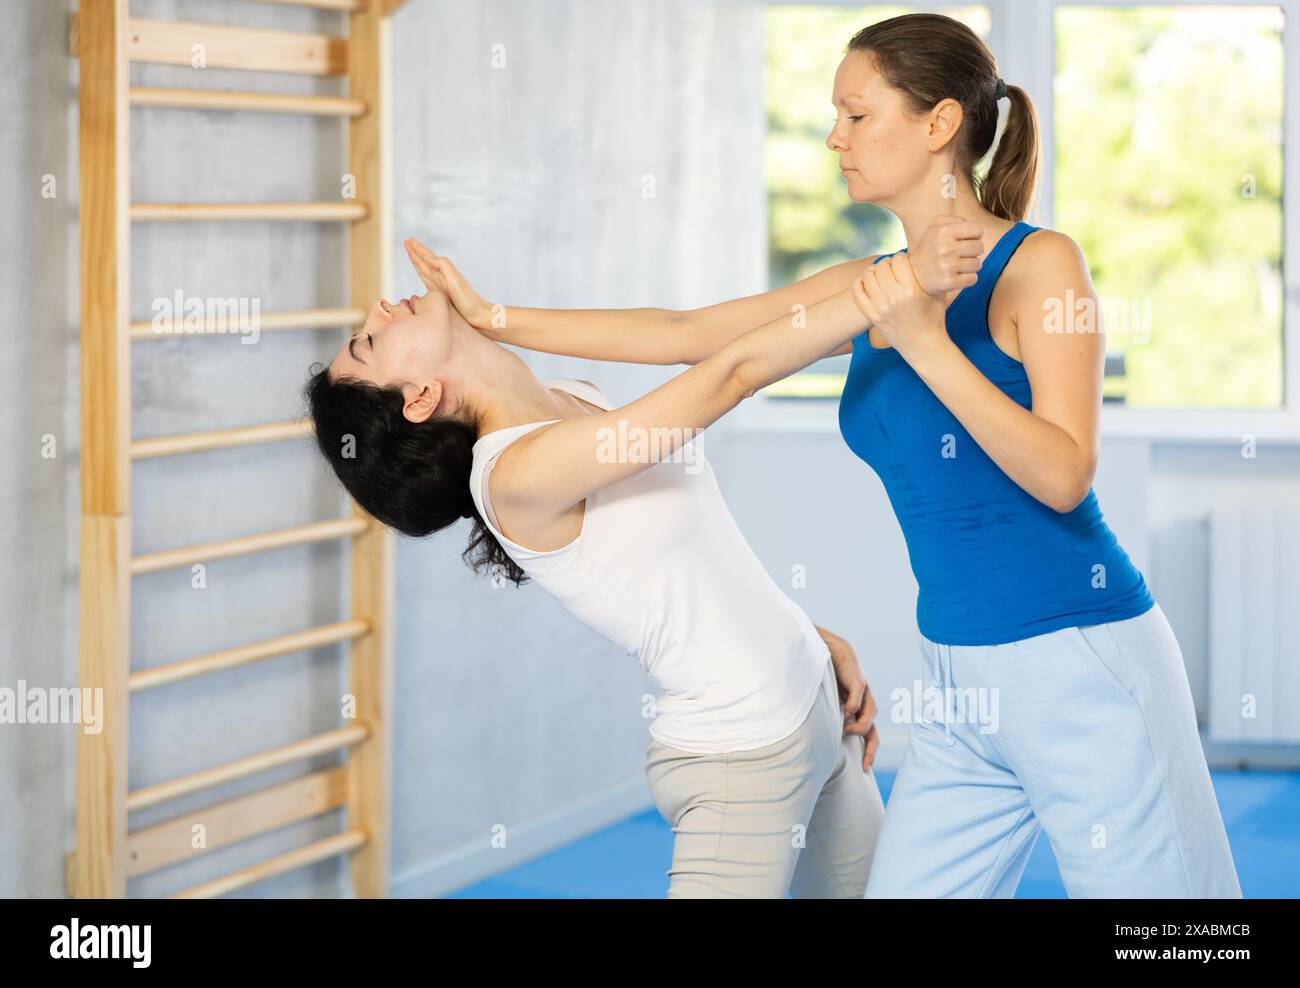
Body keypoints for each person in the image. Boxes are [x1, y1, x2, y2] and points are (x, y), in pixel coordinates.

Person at [399, 11, 1242, 899]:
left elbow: (1066, 473)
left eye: (856, 114)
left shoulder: (1040, 268)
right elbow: (686, 332)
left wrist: (923, 338)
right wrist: (496, 318)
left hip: (1080, 656)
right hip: (957, 679)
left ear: (939, 124)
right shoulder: (867, 285)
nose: (835, 137)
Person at [305, 224, 974, 897]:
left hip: (816, 707)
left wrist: (810, 640)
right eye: (369, 343)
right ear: (417, 399)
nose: (378, 312)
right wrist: (899, 285)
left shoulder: (570, 398)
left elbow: (696, 344)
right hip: (738, 759)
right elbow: (729, 374)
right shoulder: (514, 477)